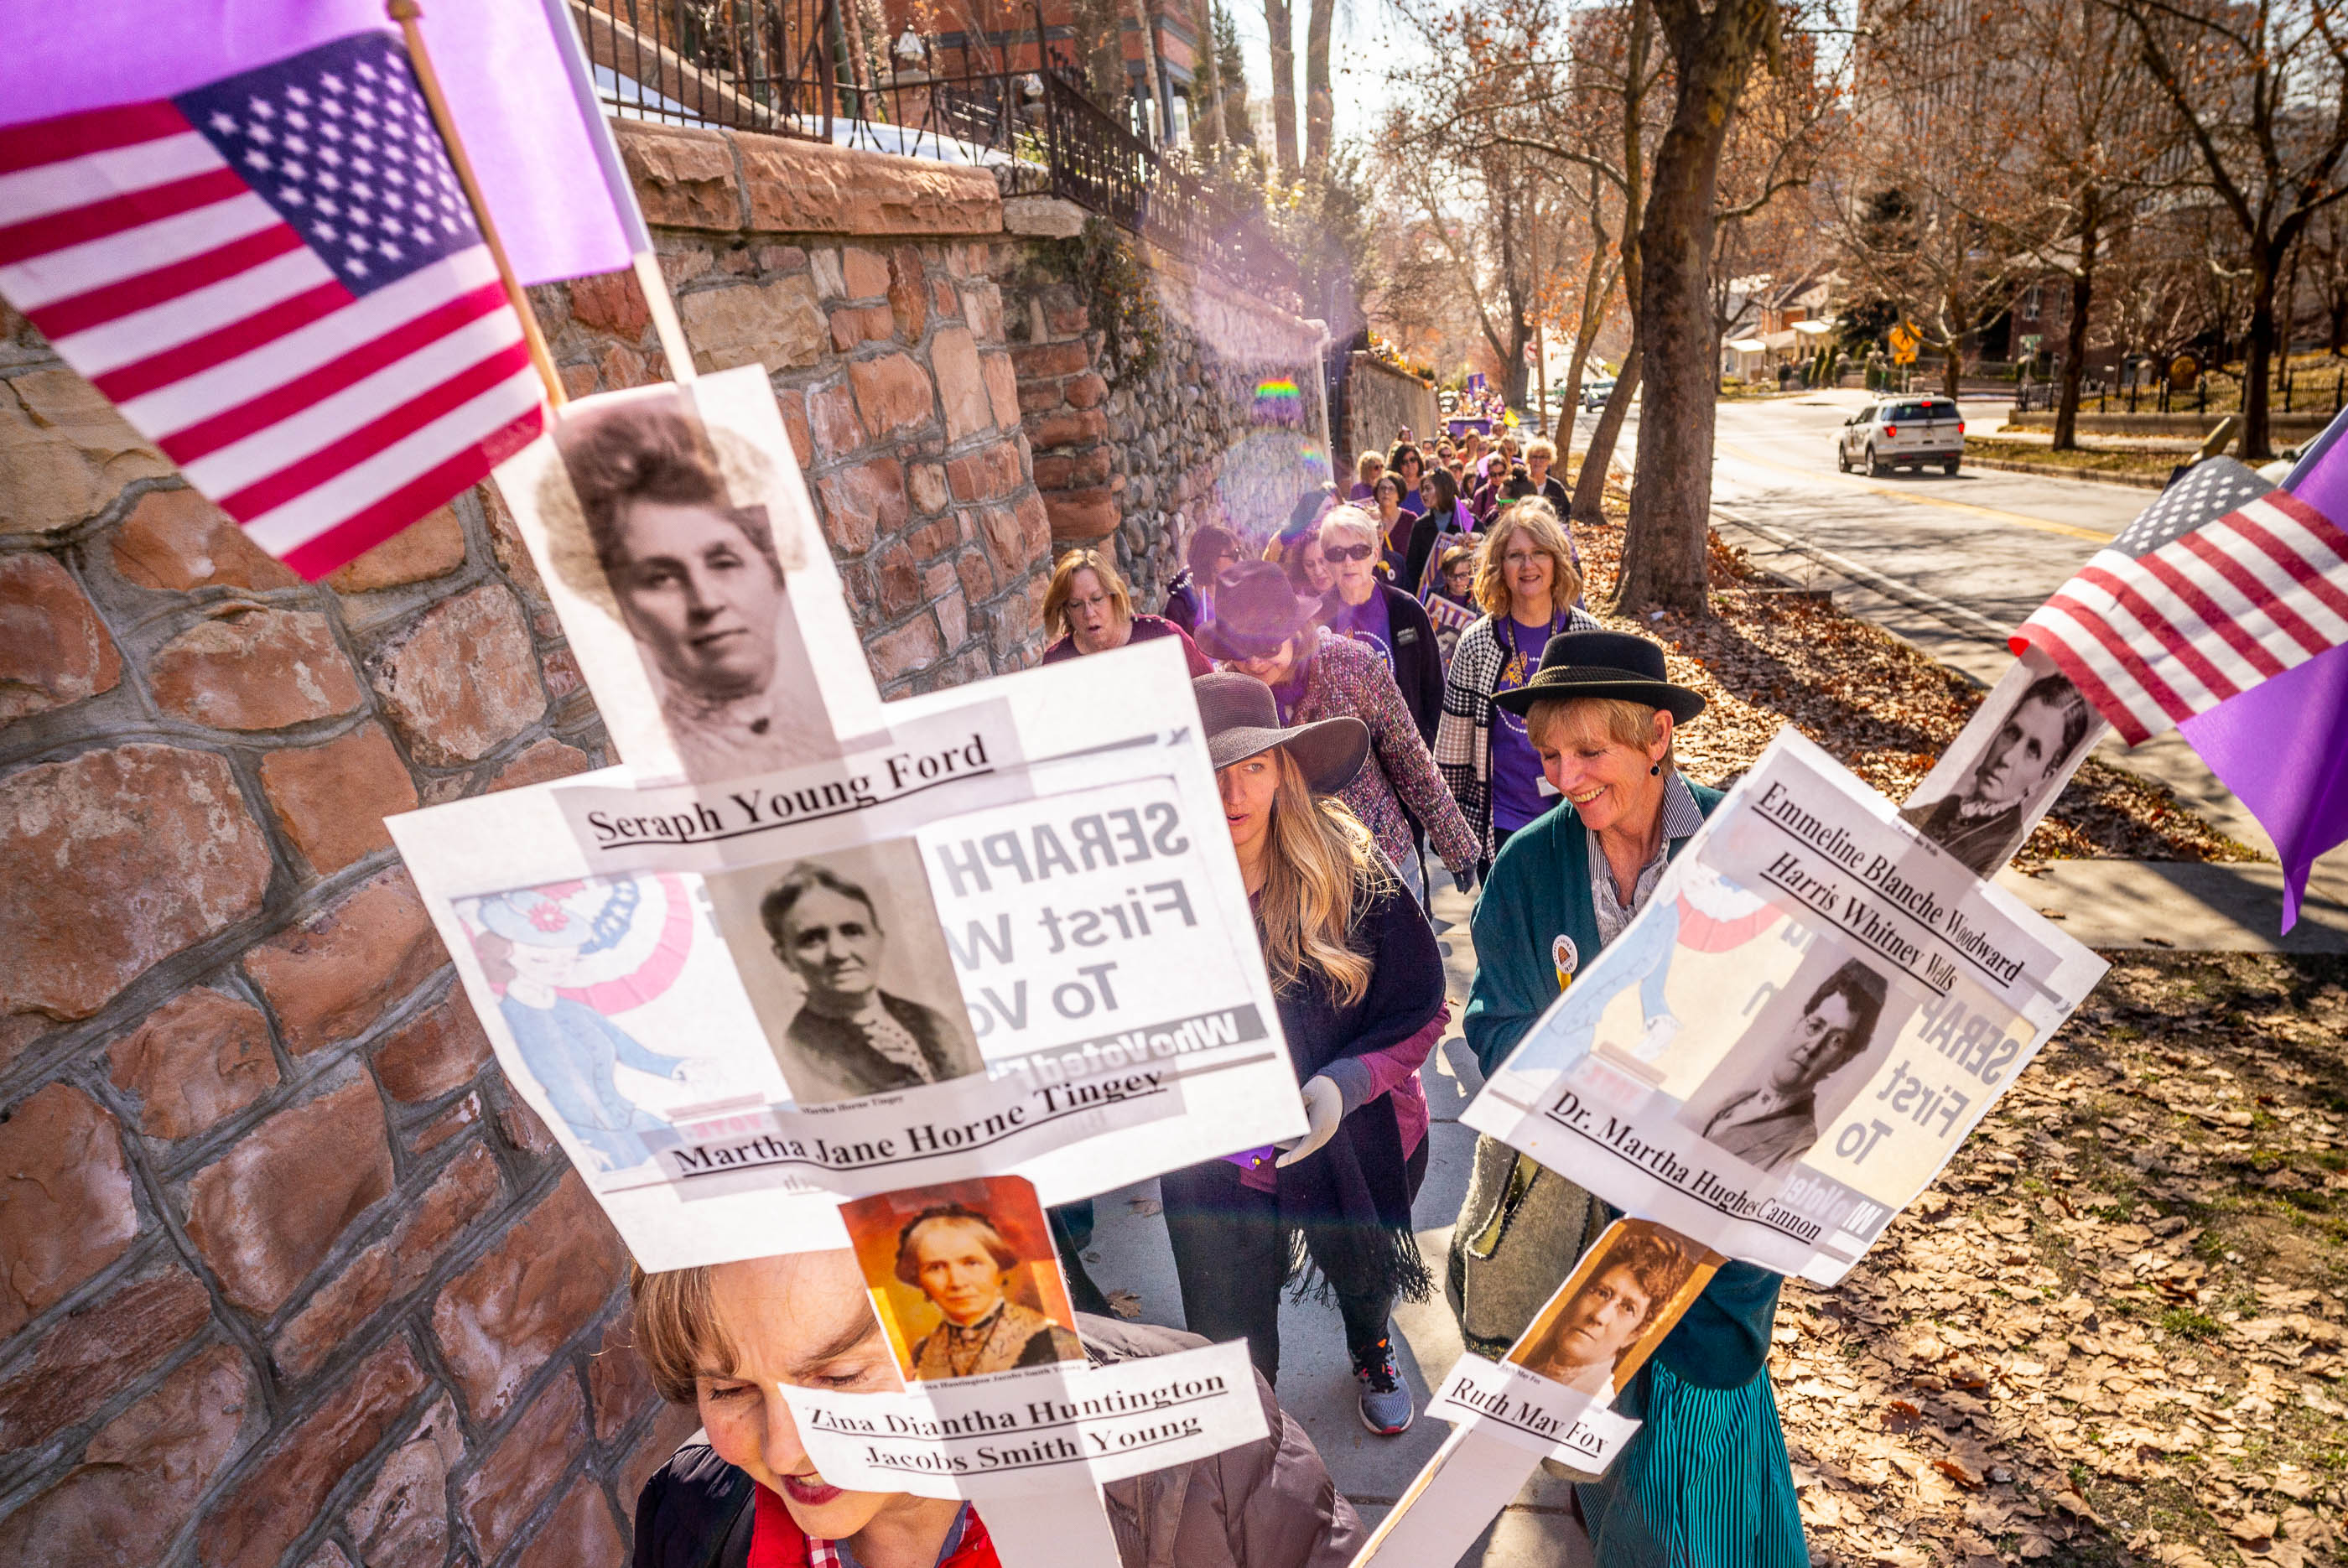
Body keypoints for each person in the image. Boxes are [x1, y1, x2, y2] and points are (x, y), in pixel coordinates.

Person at [1447, 629, 1805, 1568]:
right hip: (1577, 1231)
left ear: (1656, 737)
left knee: (1697, 1446)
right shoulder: (1529, 868)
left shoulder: (1755, 851)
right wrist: (1564, 1064)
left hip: (1707, 1233)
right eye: (1549, 754)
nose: (1563, 775)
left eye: (1589, 752)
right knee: (1604, 1472)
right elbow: (1490, 1024)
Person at [629, 1248, 1364, 1568]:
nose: (788, 1451)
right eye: (726, 1390)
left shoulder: (1207, 1465)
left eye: (842, 1377)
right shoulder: (692, 1514)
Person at [1158, 674, 1447, 1435]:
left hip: (1355, 1135)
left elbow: (1421, 1007)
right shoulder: (1155, 893)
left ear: (1285, 769)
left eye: (1253, 764)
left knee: (1362, 1271)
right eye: (1212, 769)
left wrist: (1347, 1084)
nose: (1232, 789)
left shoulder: (1350, 872)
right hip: (1220, 1156)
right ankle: (1256, 1453)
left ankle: (1372, 1343)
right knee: (1231, 1339)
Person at [549, 399, 833, 780]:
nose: (706, 601)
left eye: (724, 562)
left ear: (774, 572)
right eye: (660, 578)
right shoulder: (654, 768)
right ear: (623, 608)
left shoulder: (837, 719)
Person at [1201, 563, 1480, 903]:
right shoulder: (1227, 692)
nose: (1255, 664)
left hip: (1379, 863)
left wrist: (1456, 844)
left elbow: (1409, 757)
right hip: (1292, 881)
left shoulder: (1352, 664)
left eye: (1269, 648)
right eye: (1241, 651)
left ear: (1296, 632)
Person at [470, 888, 698, 1171]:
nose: (557, 969)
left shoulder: (579, 1011)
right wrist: (563, 1143)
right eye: (539, 960)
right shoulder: (503, 1019)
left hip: (633, 1123)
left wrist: (683, 1067)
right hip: (571, 1140)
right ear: (505, 957)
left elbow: (634, 1054)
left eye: (568, 960)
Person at [1435, 500, 1603, 869]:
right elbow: (1451, 749)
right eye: (1515, 556)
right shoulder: (1477, 643)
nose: (1528, 566)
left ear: (1557, 562)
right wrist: (1450, 834)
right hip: (1502, 823)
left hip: (1580, 817)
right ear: (1500, 567)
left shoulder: (1587, 636)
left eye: (1539, 553)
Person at [760, 863, 975, 1103]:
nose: (838, 953)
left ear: (878, 939)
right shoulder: (801, 1054)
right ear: (784, 957)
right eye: (812, 939)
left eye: (852, 931)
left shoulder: (934, 1023)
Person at [1701, 960, 1888, 1173]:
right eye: (1814, 1026)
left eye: (1835, 1041)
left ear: (1843, 1059)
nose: (1813, 1047)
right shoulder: (1734, 1100)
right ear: (1798, 1023)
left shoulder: (1798, 1142)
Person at [1899, 672, 2096, 875]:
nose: (2007, 757)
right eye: (2012, 733)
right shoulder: (1947, 805)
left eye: (2032, 750)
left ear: (2046, 774)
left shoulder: (1998, 844)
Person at [895, 1205, 1084, 1378]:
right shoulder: (922, 1353)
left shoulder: (1053, 1340)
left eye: (971, 1263)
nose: (957, 1282)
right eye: (936, 1267)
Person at [1514, 1228, 1693, 1400]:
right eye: (1601, 1293)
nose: (1599, 1316)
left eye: (1627, 1308)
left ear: (1634, 1334)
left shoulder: (1602, 1402)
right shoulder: (1530, 1368)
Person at [1317, 507, 1444, 744]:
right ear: (1325, 561)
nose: (1348, 561)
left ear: (1375, 555)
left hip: (1406, 752)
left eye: (1359, 551)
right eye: (1337, 553)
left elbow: (1434, 689)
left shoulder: (1407, 610)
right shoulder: (1315, 618)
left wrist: (1429, 746)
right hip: (1345, 759)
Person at [1040, 548, 1211, 676]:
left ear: (1114, 596)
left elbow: (1213, 692)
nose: (1089, 613)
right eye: (1076, 604)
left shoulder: (1163, 635)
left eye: (1097, 599)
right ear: (1066, 610)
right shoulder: (1057, 662)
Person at [1404, 465, 1474, 595]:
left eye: (1428, 489)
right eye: (1422, 490)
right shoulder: (1420, 525)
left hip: (1463, 600)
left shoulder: (1467, 522)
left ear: (1443, 489)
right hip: (1431, 600)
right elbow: (1412, 570)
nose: (1423, 494)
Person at [1162, 523, 1239, 636]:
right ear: (1211, 559)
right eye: (1235, 555)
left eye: (1239, 552)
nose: (1241, 560)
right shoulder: (1180, 606)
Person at [1423, 542, 1482, 668]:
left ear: (1471, 573)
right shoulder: (1430, 596)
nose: (1458, 581)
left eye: (1463, 575)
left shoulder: (1479, 604)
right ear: (1444, 575)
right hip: (1433, 662)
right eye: (1453, 576)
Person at [1369, 473, 1413, 579]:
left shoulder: (1411, 520)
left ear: (1399, 495)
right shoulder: (1369, 518)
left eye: (1391, 489)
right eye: (1382, 488)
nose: (1386, 492)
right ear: (1377, 493)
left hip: (1403, 579)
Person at [1385, 442, 1427, 517]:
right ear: (1398, 465)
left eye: (1413, 459)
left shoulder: (1428, 481)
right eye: (1404, 462)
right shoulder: (1394, 487)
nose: (1409, 464)